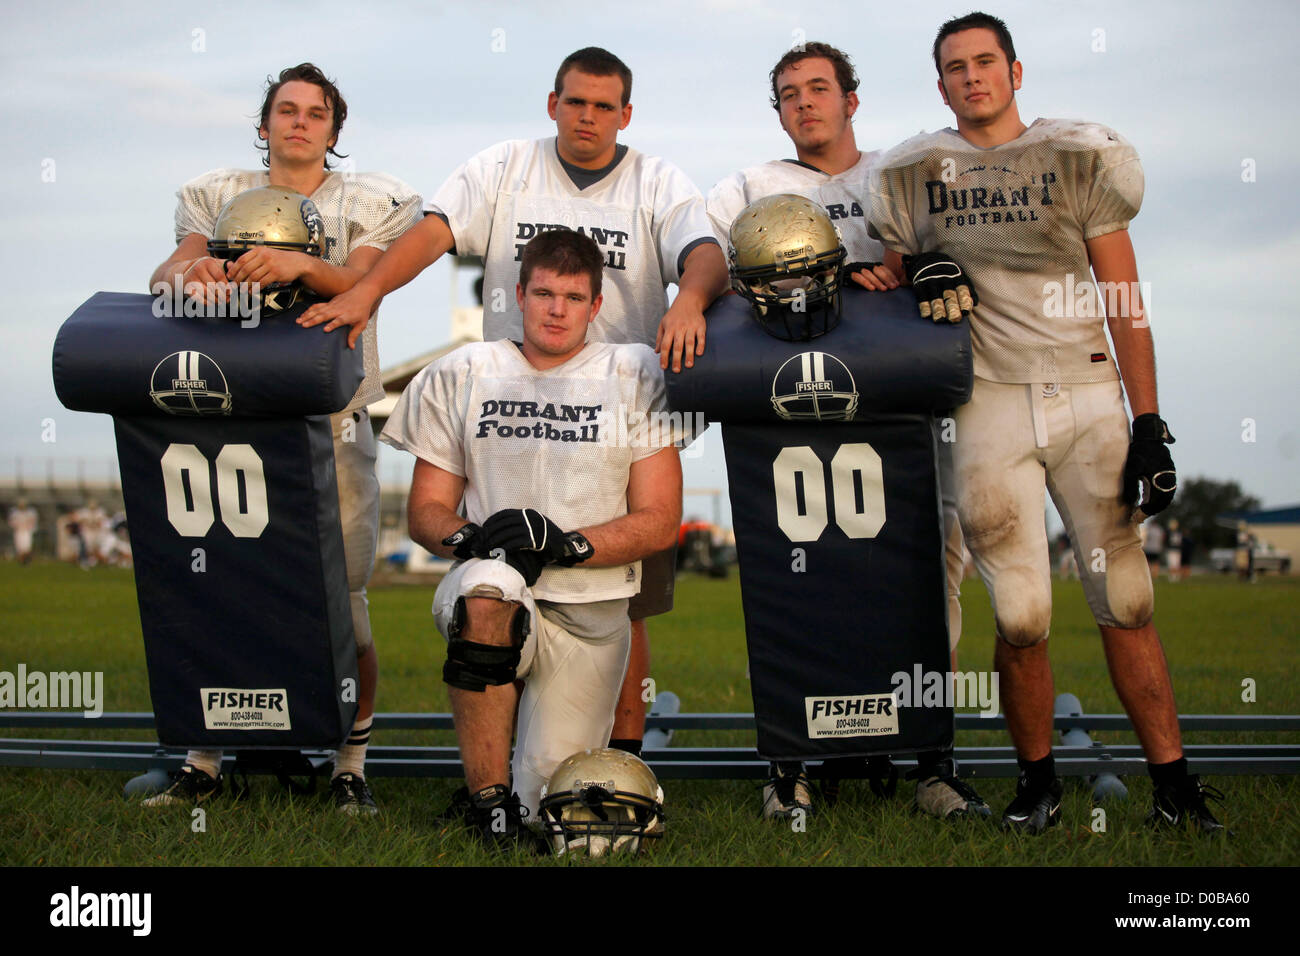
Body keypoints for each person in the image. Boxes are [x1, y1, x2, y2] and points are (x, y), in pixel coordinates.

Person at [300, 46, 728, 762]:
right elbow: (433, 233)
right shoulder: (504, 168)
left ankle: (622, 761)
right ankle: (498, 766)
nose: (587, 116)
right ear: (552, 102)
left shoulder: (656, 179)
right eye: (575, 101)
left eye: (603, 105)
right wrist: (367, 291)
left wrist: (689, 296)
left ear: (625, 114)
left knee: (621, 603)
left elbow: (705, 249)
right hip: (514, 411)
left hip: (621, 418)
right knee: (498, 583)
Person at [869, 12, 1225, 834]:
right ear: (940, 84)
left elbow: (1123, 301)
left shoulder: (1074, 156)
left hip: (1087, 388)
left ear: (1015, 71)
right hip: (988, 397)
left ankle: (1173, 785)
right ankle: (1039, 783)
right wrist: (915, 268)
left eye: (985, 61)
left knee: (1128, 597)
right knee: (1022, 614)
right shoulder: (915, 173)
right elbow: (881, 281)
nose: (971, 77)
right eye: (955, 66)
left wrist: (1149, 421)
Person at [706, 42, 986, 823]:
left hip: (901, 419)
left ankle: (934, 756)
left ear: (851, 99)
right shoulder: (749, 188)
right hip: (794, 423)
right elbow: (713, 265)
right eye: (789, 93)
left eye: (819, 88)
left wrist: (908, 270)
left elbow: (947, 272)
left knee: (929, 584)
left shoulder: (900, 173)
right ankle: (795, 757)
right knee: (795, 587)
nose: (805, 103)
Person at [144, 63, 422, 814]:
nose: (300, 122)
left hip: (331, 416)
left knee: (346, 602)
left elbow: (363, 285)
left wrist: (302, 264)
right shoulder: (214, 192)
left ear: (335, 132)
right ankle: (203, 758)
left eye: (317, 113)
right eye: (287, 110)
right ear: (263, 124)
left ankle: (350, 764)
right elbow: (166, 275)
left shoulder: (369, 200)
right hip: (231, 417)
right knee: (220, 587)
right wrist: (194, 271)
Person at [380, 230, 682, 849]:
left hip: (590, 613)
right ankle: (486, 806)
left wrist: (564, 544)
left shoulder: (633, 372)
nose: (555, 309)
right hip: (497, 585)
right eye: (543, 292)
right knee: (490, 589)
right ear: (519, 294)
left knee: (552, 805)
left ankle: (516, 794)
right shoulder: (466, 371)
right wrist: (473, 537)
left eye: (573, 297)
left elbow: (659, 519)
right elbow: (426, 512)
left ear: (596, 305)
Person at [7, 500, 37, 564]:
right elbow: (12, 522)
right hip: (19, 531)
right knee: (20, 548)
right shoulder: (14, 513)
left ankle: (27, 560)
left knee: (27, 547)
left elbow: (33, 521)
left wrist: (29, 526)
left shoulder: (30, 512)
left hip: (26, 531)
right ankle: (22, 560)